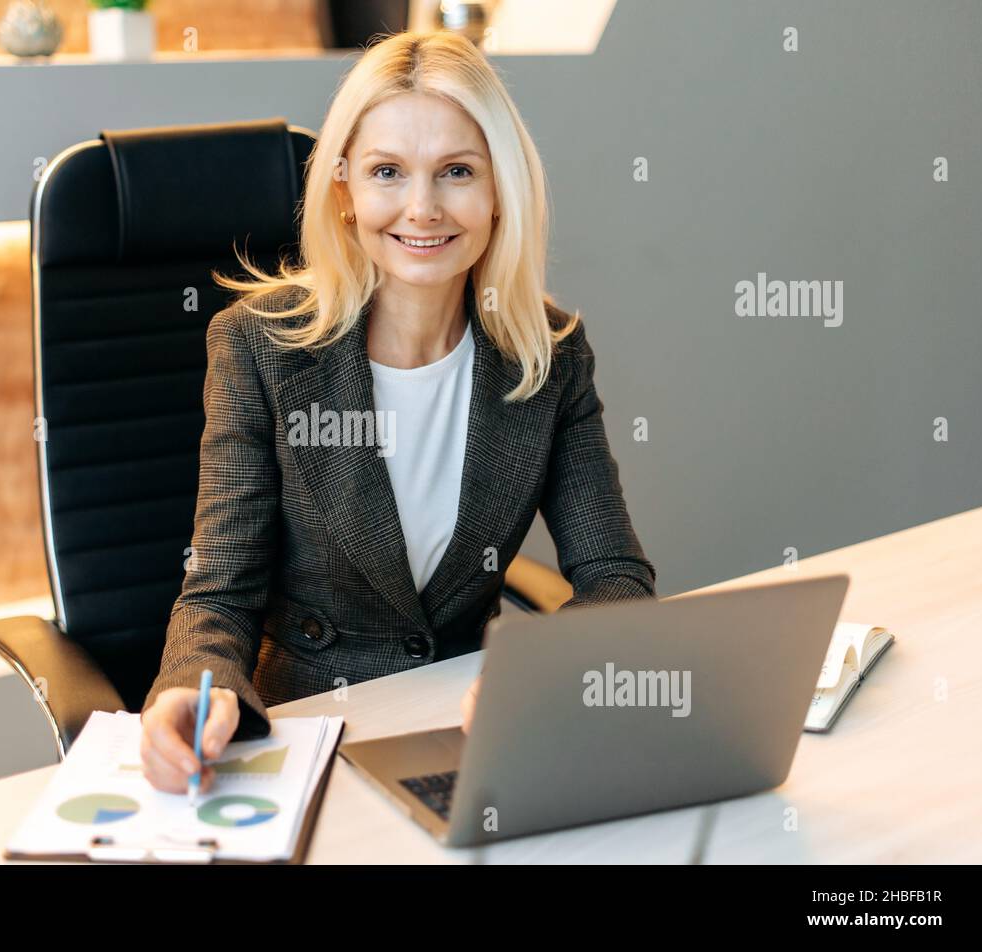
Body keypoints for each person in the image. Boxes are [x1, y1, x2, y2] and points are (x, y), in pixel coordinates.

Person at [140, 30, 656, 795]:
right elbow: (220, 591)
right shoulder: (258, 347)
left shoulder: (549, 355)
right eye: (388, 172)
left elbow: (615, 575)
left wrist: (551, 674)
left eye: (456, 172)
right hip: (307, 739)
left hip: (468, 737)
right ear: (345, 189)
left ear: (499, 191)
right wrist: (192, 686)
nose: (422, 208)